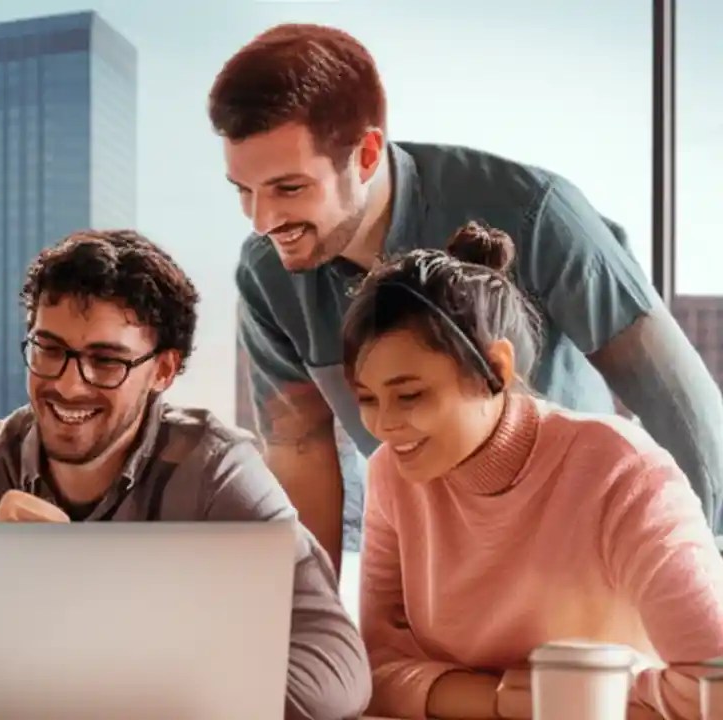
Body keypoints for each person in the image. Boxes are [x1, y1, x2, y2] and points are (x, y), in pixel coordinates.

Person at [211, 23, 723, 573]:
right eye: (244, 191)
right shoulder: (267, 276)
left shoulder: (536, 214)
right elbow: (300, 452)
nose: (262, 221)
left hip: (587, 559)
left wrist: (700, 572)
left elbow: (682, 410)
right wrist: (300, 613)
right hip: (433, 573)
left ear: (366, 155)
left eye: (289, 188)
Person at [0, 230, 372, 720]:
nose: (69, 385)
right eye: (50, 350)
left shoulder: (217, 471)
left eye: (106, 362)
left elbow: (337, 673)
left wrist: (108, 649)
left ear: (163, 370)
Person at [347, 223, 723, 720]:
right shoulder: (393, 476)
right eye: (367, 399)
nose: (384, 425)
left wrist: (560, 696)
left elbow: (714, 686)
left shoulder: (621, 473)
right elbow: (372, 670)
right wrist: (505, 701)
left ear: (496, 368)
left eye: (410, 395)